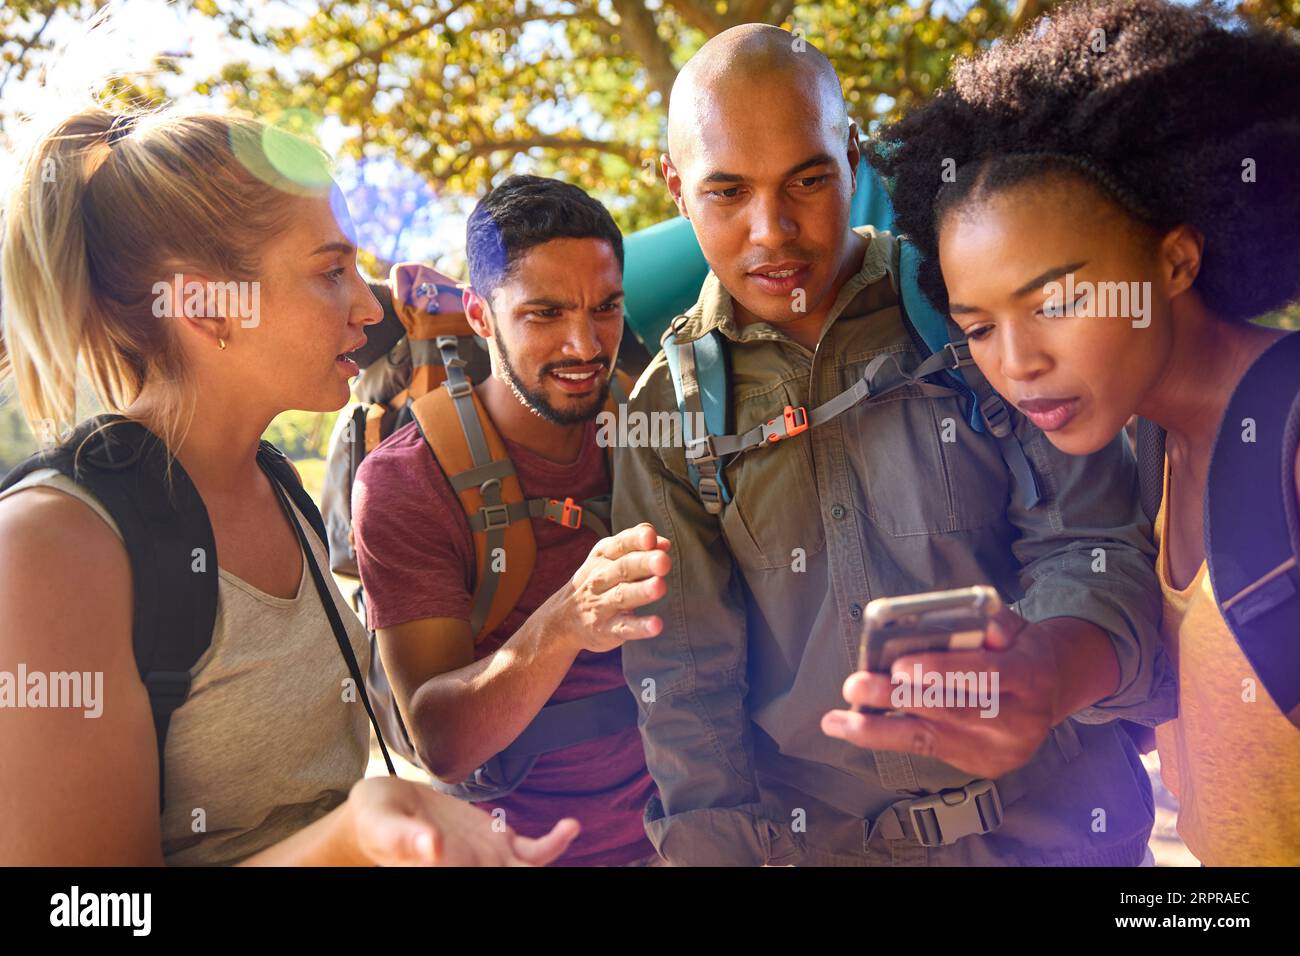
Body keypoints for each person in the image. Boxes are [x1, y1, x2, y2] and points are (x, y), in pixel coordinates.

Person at [614, 24, 1169, 866]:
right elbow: (687, 697)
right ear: (675, 188)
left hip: (1066, 830)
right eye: (727, 192)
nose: (773, 231)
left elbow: (1095, 541)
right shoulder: (668, 416)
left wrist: (1048, 673)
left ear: (853, 152)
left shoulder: (967, 306)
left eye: (807, 179)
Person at [0, 105, 576, 866]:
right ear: (207, 306)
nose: (371, 309)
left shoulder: (277, 487)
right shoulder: (51, 547)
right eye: (331, 271)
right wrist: (347, 842)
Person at [858, 0, 1300, 865]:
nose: (1016, 363)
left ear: (1175, 260)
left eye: (1055, 302)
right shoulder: (1155, 453)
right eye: (979, 327)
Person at [352, 175, 670, 866]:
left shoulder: (649, 427)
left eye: (606, 308)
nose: (585, 344)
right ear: (478, 315)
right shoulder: (406, 481)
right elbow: (441, 741)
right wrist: (564, 623)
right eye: (545, 314)